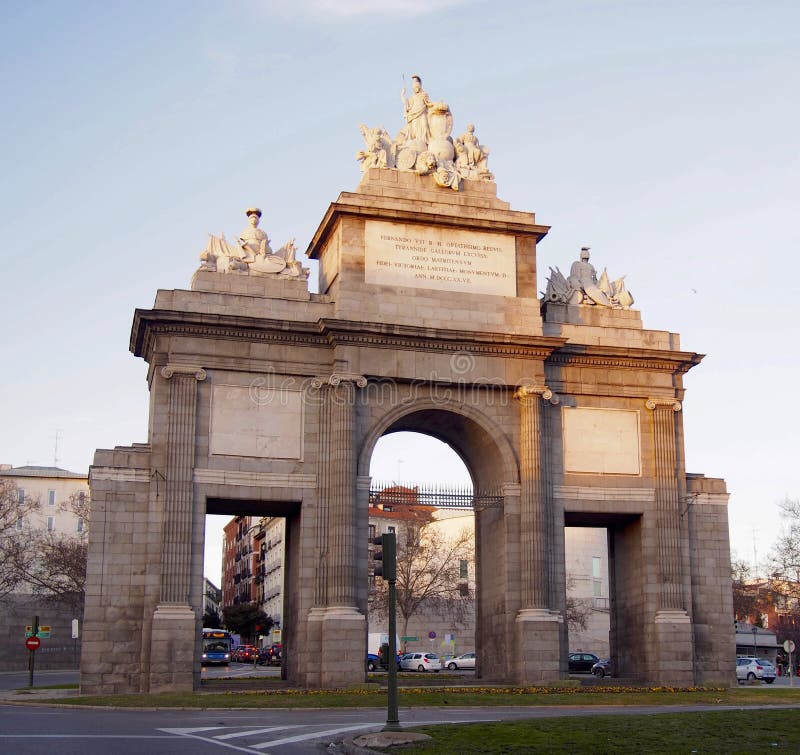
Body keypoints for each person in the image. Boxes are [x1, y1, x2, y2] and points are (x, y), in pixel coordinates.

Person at [398, 74, 433, 145]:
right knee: (415, 129)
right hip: (414, 115)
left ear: (420, 86)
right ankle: (418, 144)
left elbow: (429, 103)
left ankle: (426, 143)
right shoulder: (412, 97)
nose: (415, 88)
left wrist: (435, 105)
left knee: (424, 126)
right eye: (414, 86)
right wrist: (402, 95)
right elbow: (406, 103)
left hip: (422, 113)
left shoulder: (424, 94)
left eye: (417, 86)